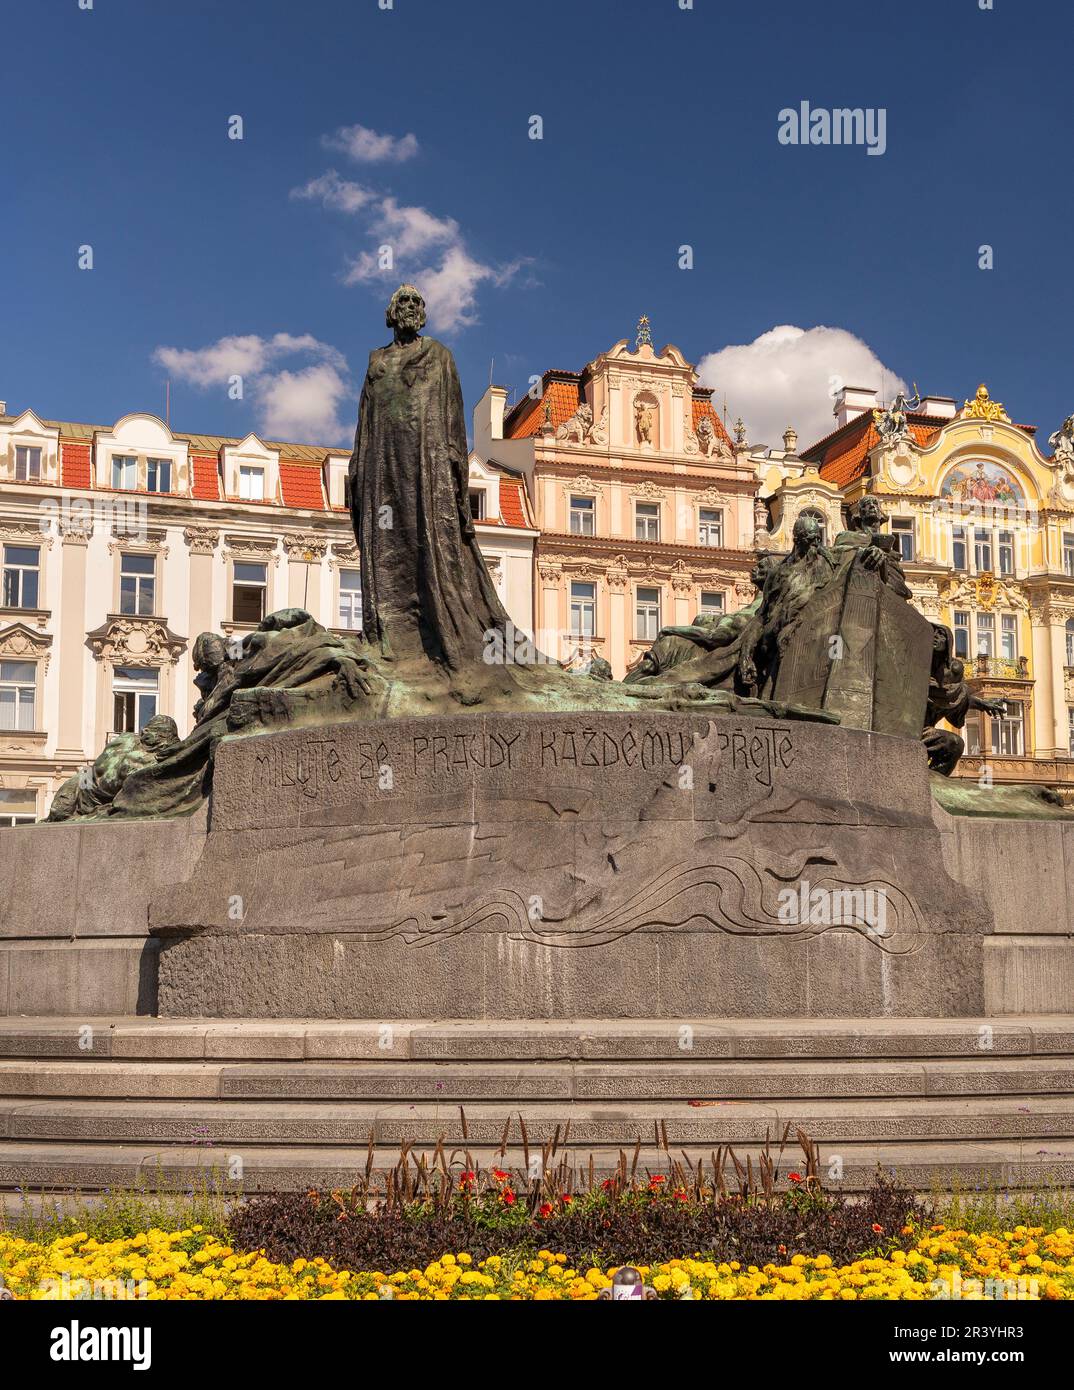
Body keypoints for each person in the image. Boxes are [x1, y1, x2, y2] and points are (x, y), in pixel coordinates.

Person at [922, 623, 1006, 775]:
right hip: (904, 729)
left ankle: (934, 782)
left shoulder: (952, 673)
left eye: (941, 635)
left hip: (924, 731)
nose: (935, 637)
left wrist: (984, 704)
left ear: (948, 644)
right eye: (933, 633)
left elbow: (959, 698)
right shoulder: (916, 666)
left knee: (955, 744)